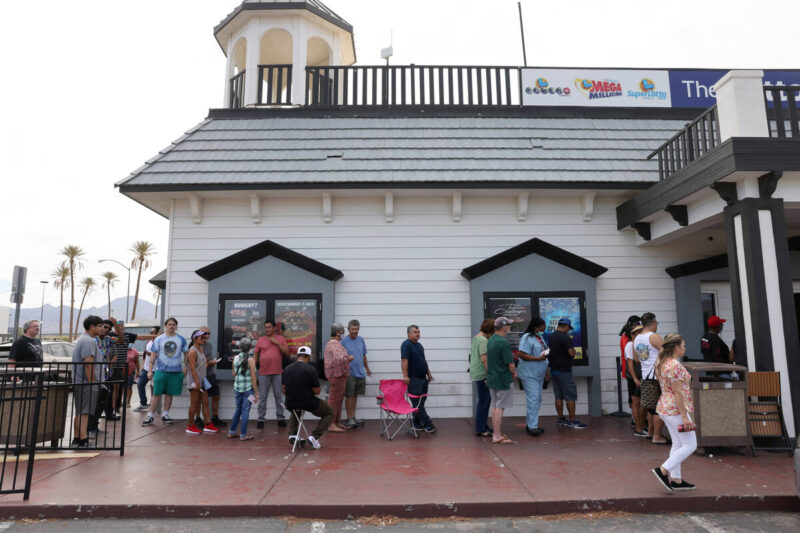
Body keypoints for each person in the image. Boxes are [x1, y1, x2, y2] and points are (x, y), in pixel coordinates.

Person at [652, 333, 697, 492]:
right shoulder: (675, 365)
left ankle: (676, 480)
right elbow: (677, 392)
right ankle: (663, 470)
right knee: (691, 444)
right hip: (676, 410)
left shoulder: (661, 362)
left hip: (665, 407)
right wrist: (685, 417)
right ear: (676, 348)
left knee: (678, 444)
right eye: (683, 346)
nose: (685, 349)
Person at [282, 345, 333, 449]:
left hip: (290, 402)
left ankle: (292, 434)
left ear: (297, 356)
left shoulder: (287, 369)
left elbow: (283, 390)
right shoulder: (311, 370)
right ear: (308, 357)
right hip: (308, 402)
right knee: (329, 412)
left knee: (296, 410)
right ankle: (314, 437)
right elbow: (317, 391)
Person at [142, 317, 188, 427]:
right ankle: (150, 416)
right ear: (165, 326)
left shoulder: (181, 339)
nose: (171, 326)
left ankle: (165, 414)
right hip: (161, 370)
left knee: (169, 393)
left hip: (175, 371)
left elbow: (186, 354)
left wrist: (185, 367)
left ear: (176, 326)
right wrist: (149, 371)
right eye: (169, 324)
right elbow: (153, 355)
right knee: (156, 394)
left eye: (173, 324)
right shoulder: (159, 339)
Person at [108, 319, 157, 414]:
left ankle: (116, 407)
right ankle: (111, 408)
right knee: (113, 388)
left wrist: (157, 336)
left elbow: (142, 337)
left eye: (122, 326)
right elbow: (120, 340)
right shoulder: (110, 336)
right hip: (111, 365)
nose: (121, 327)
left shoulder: (127, 335)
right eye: (119, 326)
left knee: (120, 388)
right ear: (114, 327)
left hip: (122, 366)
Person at [72, 316, 105, 447]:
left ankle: (77, 438)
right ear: (92, 327)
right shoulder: (88, 341)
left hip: (81, 382)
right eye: (100, 326)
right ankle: (83, 439)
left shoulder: (84, 339)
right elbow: (88, 363)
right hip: (86, 383)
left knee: (80, 411)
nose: (103, 329)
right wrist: (92, 381)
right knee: (85, 412)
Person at [634, 312, 667, 444]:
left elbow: (637, 359)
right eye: (656, 323)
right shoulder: (654, 337)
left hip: (646, 376)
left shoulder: (637, 338)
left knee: (651, 406)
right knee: (660, 408)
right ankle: (657, 436)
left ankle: (650, 432)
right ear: (653, 323)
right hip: (657, 376)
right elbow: (667, 354)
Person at [549, 318, 587, 429]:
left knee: (558, 396)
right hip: (564, 370)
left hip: (554, 370)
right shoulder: (565, 337)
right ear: (565, 326)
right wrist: (574, 352)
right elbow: (571, 353)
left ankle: (561, 418)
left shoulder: (552, 336)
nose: (568, 331)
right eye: (568, 328)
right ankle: (572, 420)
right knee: (570, 396)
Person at [487, 317, 518, 444]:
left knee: (495, 406)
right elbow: (510, 363)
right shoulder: (503, 342)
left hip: (492, 377)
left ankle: (496, 433)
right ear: (504, 326)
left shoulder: (491, 340)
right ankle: (497, 435)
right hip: (503, 378)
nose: (510, 327)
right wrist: (514, 372)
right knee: (500, 407)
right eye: (509, 325)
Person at [254, 320, 289, 429]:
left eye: (269, 327)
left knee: (279, 396)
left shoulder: (281, 339)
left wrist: (277, 343)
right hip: (263, 372)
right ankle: (261, 419)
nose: (267, 329)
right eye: (265, 327)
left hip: (277, 372)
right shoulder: (260, 340)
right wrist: (252, 370)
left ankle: (280, 418)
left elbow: (287, 353)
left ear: (274, 328)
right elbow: (255, 356)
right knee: (262, 397)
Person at [517, 317, 549, 437]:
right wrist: (538, 359)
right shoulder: (527, 338)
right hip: (529, 374)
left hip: (539, 373)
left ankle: (532, 423)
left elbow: (544, 354)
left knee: (537, 399)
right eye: (542, 329)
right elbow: (521, 354)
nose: (543, 331)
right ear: (536, 327)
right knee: (533, 399)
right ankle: (532, 427)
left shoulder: (539, 338)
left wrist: (546, 370)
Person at [401, 324, 436, 433]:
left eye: (418, 331)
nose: (418, 333)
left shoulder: (419, 346)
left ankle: (416, 424)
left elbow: (424, 361)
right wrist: (405, 376)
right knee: (417, 403)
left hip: (423, 379)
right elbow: (404, 360)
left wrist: (429, 374)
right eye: (415, 332)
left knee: (420, 403)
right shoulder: (406, 344)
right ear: (409, 333)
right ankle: (427, 424)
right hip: (414, 380)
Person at [185, 330, 218, 435]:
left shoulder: (201, 349)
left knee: (205, 403)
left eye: (205, 338)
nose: (204, 339)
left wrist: (210, 363)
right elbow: (192, 368)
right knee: (194, 404)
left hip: (203, 380)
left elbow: (202, 364)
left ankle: (208, 424)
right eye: (202, 338)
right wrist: (197, 381)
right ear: (195, 339)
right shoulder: (192, 351)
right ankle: (190, 426)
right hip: (195, 381)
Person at [341, 319, 371, 428]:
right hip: (349, 373)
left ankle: (353, 417)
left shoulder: (361, 340)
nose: (355, 331)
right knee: (349, 395)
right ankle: (349, 418)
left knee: (355, 395)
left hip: (360, 372)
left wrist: (367, 368)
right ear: (348, 329)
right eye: (352, 329)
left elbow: (363, 355)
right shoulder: (343, 341)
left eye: (356, 329)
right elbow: (340, 358)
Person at [324, 323, 352, 432]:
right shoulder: (334, 344)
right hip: (337, 376)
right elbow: (339, 359)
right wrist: (349, 358)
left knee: (339, 399)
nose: (343, 333)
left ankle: (336, 421)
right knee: (334, 400)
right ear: (337, 332)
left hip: (339, 376)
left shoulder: (334, 343)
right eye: (342, 331)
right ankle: (331, 424)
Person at [229, 337, 258, 441]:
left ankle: (232, 431)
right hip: (248, 390)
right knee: (245, 411)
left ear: (240, 347)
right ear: (250, 347)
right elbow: (253, 378)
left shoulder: (235, 358)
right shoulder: (251, 360)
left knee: (238, 409)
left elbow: (233, 374)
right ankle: (243, 435)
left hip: (237, 389)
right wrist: (256, 393)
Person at [469, 318, 494, 437]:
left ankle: (483, 425)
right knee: (484, 401)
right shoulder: (483, 340)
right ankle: (480, 428)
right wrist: (491, 373)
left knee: (483, 400)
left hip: (476, 372)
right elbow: (484, 358)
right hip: (482, 373)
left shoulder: (476, 337)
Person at [197, 325, 225, 428]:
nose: (207, 335)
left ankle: (215, 418)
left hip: (210, 374)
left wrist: (212, 362)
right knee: (200, 399)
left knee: (216, 395)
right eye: (205, 333)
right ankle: (198, 419)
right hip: (201, 376)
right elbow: (196, 364)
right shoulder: (196, 346)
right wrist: (210, 363)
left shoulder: (209, 345)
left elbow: (206, 361)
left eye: (208, 333)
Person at [624, 322, 647, 437]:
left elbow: (642, 360)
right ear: (632, 334)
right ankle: (638, 428)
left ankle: (643, 426)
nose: (640, 334)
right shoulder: (629, 345)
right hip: (635, 378)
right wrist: (634, 378)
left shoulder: (641, 345)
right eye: (637, 332)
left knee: (644, 403)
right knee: (636, 403)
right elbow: (630, 363)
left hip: (643, 376)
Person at [619, 315, 641, 426]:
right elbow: (630, 356)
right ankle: (634, 419)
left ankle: (637, 419)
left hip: (633, 370)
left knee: (636, 397)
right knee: (632, 396)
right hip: (630, 370)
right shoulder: (625, 338)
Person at [134, 326, 160, 412]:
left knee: (154, 388)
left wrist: (154, 356)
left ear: (157, 333)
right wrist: (142, 367)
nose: (150, 334)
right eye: (150, 332)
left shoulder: (160, 343)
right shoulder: (148, 342)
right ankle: (143, 404)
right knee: (140, 384)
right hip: (145, 369)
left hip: (156, 369)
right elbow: (145, 355)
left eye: (152, 332)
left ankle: (153, 406)